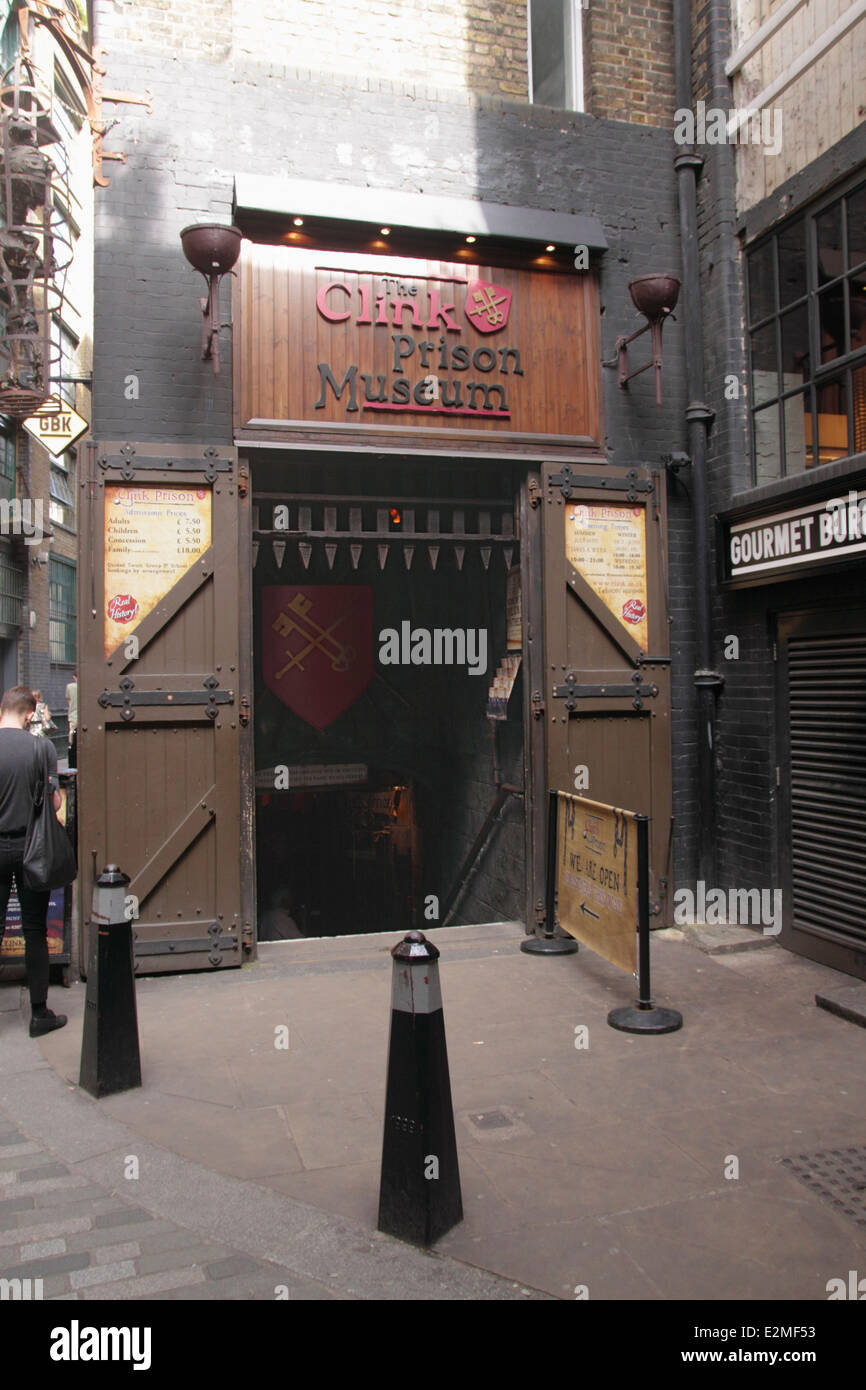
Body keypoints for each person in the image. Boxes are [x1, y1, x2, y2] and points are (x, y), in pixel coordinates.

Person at [0, 686, 67, 1036]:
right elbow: (54, 804)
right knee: (35, 930)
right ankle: (40, 1014)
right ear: (30, 715)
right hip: (31, 850)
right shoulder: (41, 748)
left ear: (2, 711)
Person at [65, 673, 77, 768]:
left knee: (72, 740)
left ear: (74, 677)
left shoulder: (70, 687)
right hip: (84, 715)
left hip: (73, 715)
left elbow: (69, 701)